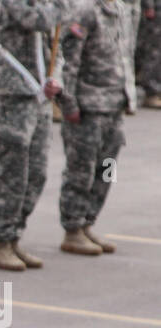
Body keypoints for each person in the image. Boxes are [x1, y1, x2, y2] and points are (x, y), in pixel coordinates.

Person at [0, 0, 60, 271]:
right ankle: (1, 241)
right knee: (13, 173)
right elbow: (36, 20)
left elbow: (54, 42)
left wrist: (56, 77)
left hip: (37, 96)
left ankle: (15, 236)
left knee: (36, 172)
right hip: (12, 97)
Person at [56, 0, 131, 255]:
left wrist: (127, 94)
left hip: (114, 104)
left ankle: (88, 221)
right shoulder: (84, 11)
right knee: (81, 169)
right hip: (88, 106)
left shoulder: (119, 9)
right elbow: (69, 61)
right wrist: (68, 103)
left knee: (108, 169)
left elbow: (123, 54)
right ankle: (73, 228)